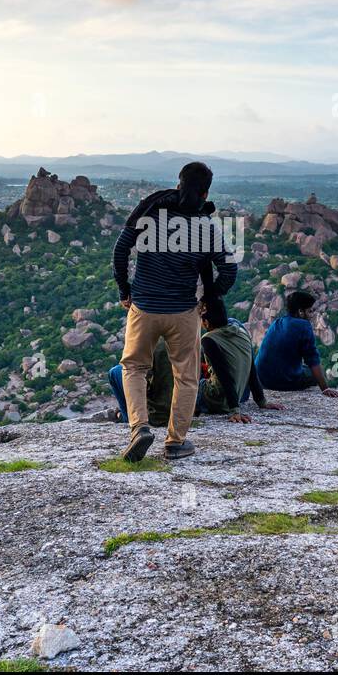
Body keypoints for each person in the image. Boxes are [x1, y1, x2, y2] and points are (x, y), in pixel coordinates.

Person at [112, 161, 237, 461]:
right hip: (183, 312)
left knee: (134, 368)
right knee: (186, 376)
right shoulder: (207, 228)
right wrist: (209, 297)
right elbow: (229, 271)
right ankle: (175, 442)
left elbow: (119, 252)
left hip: (144, 308)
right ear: (205, 193)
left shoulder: (149, 215)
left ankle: (139, 428)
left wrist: (124, 291)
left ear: (178, 184)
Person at [197, 295, 283, 423]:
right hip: (240, 395)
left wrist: (234, 411)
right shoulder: (242, 332)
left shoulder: (209, 339)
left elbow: (223, 375)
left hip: (218, 400)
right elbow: (251, 368)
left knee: (186, 382)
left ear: (206, 322)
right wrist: (261, 401)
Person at [253, 290, 338, 397]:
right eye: (310, 311)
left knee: (303, 368)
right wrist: (325, 388)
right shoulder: (304, 325)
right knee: (314, 375)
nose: (312, 315)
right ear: (300, 312)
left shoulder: (277, 322)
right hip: (280, 382)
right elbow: (313, 360)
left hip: (260, 379)